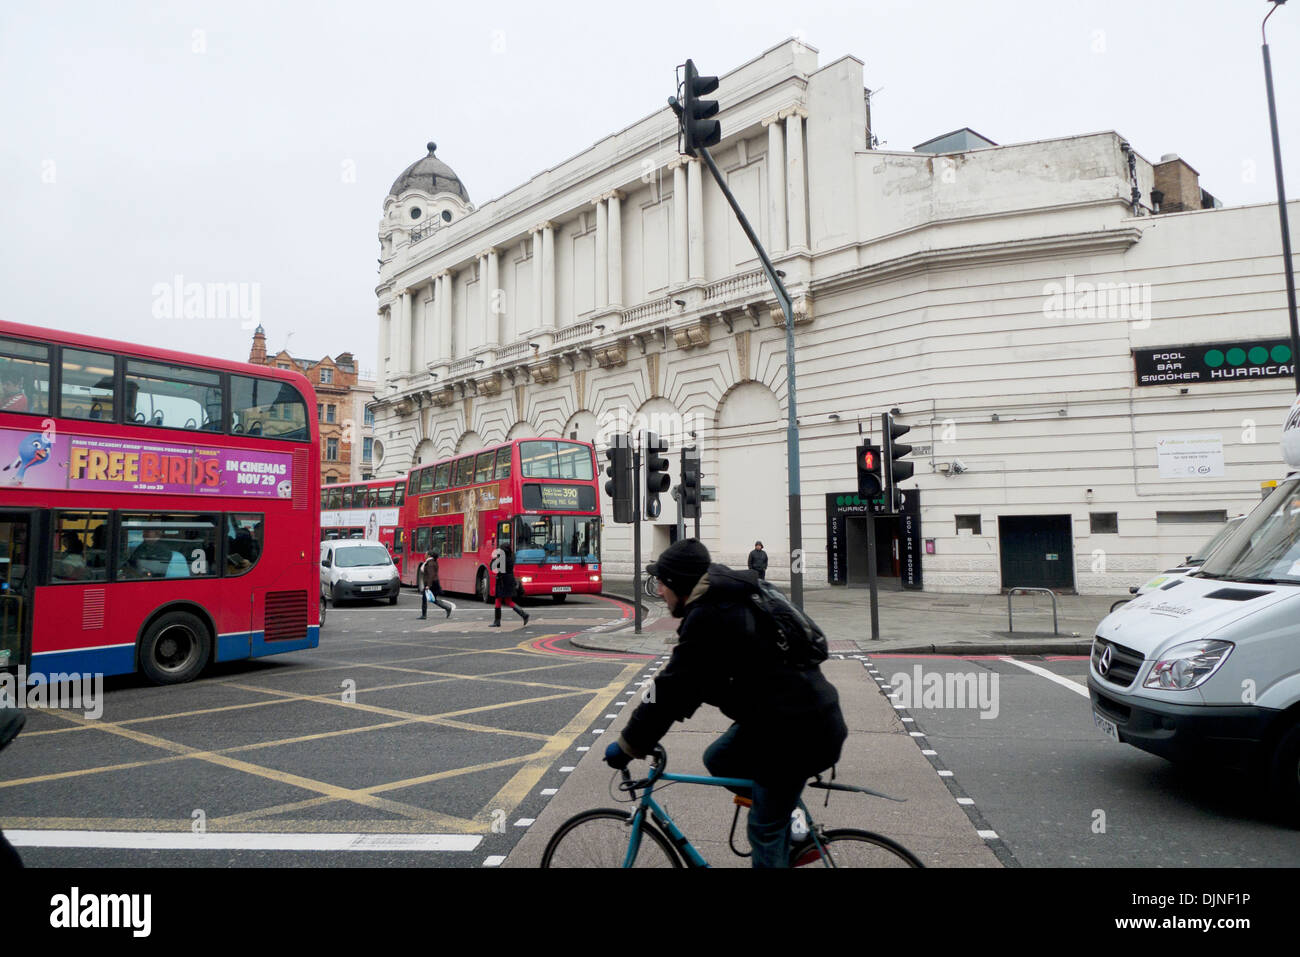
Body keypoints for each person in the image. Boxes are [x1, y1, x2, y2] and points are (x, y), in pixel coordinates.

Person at [604, 539, 847, 868]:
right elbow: (684, 685)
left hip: (798, 732)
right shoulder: (724, 594)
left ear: (678, 584)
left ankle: (785, 822)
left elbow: (671, 689)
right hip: (786, 717)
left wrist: (628, 744)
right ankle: (792, 818)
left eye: (661, 583)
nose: (658, 591)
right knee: (719, 758)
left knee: (764, 828)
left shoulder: (712, 614)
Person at [489, 542, 529, 628]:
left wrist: (494, 558)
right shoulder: (511, 557)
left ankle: (497, 621)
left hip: (502, 581)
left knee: (499, 599)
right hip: (509, 580)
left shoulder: (501, 558)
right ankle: (523, 615)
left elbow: (492, 566)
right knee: (506, 601)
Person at [418, 551, 454, 620]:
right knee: (432, 599)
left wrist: (428, 585)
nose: (424, 555)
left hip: (432, 583)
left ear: (429, 555)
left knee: (425, 598)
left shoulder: (430, 563)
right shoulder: (431, 562)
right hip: (433, 583)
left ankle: (424, 615)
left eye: (426, 554)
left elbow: (431, 575)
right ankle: (447, 608)